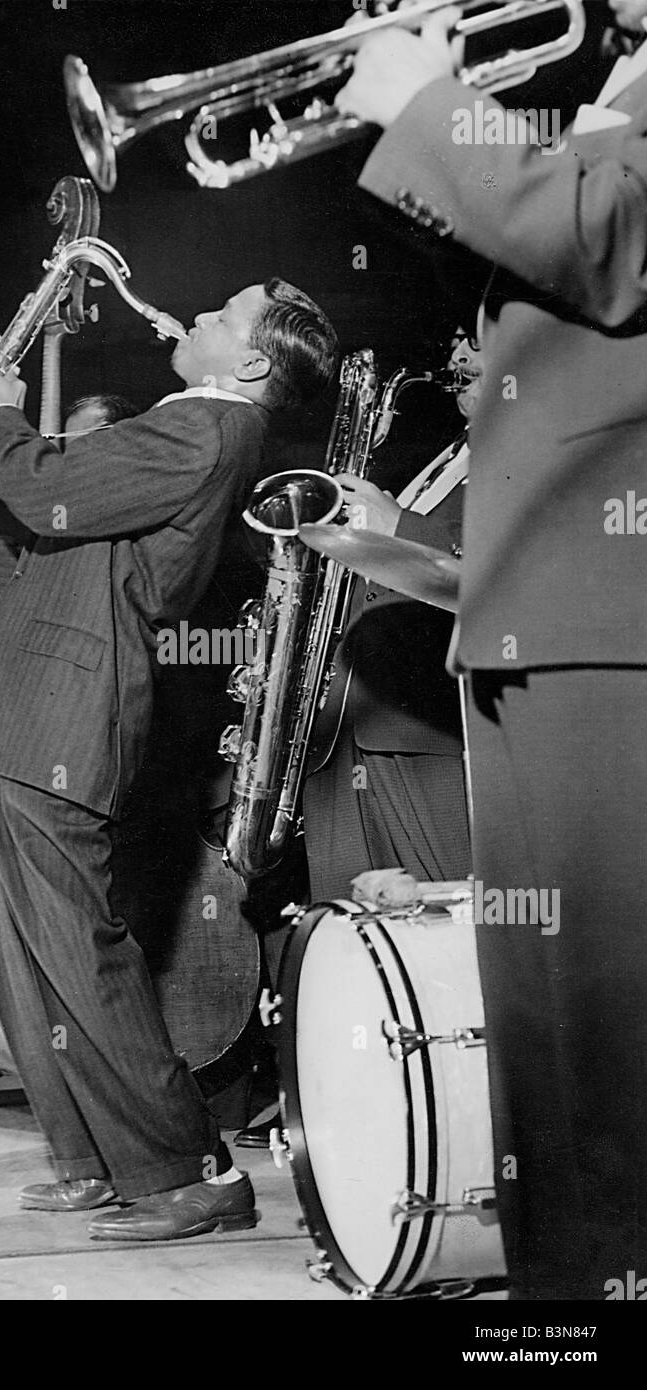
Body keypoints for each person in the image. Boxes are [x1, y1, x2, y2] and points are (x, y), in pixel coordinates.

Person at [0, 280, 339, 1241]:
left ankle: (188, 1168)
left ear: (252, 362)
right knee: (22, 953)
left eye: (221, 319)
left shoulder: (206, 430)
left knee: (78, 947)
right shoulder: (189, 424)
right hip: (34, 704)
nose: (193, 320)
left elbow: (51, 494)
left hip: (67, 709)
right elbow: (61, 544)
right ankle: (93, 1157)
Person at [332, 1, 647, 1298]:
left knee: (612, 1046)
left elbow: (604, 239)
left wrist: (429, 104)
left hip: (611, 613)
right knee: (544, 1047)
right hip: (544, 617)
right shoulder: (621, 75)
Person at [302, 326, 481, 900]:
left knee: (441, 923)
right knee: (346, 923)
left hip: (422, 732)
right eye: (454, 341)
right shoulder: (449, 455)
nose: (457, 355)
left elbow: (503, 577)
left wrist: (398, 526)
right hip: (344, 730)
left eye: (476, 341)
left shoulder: (531, 454)